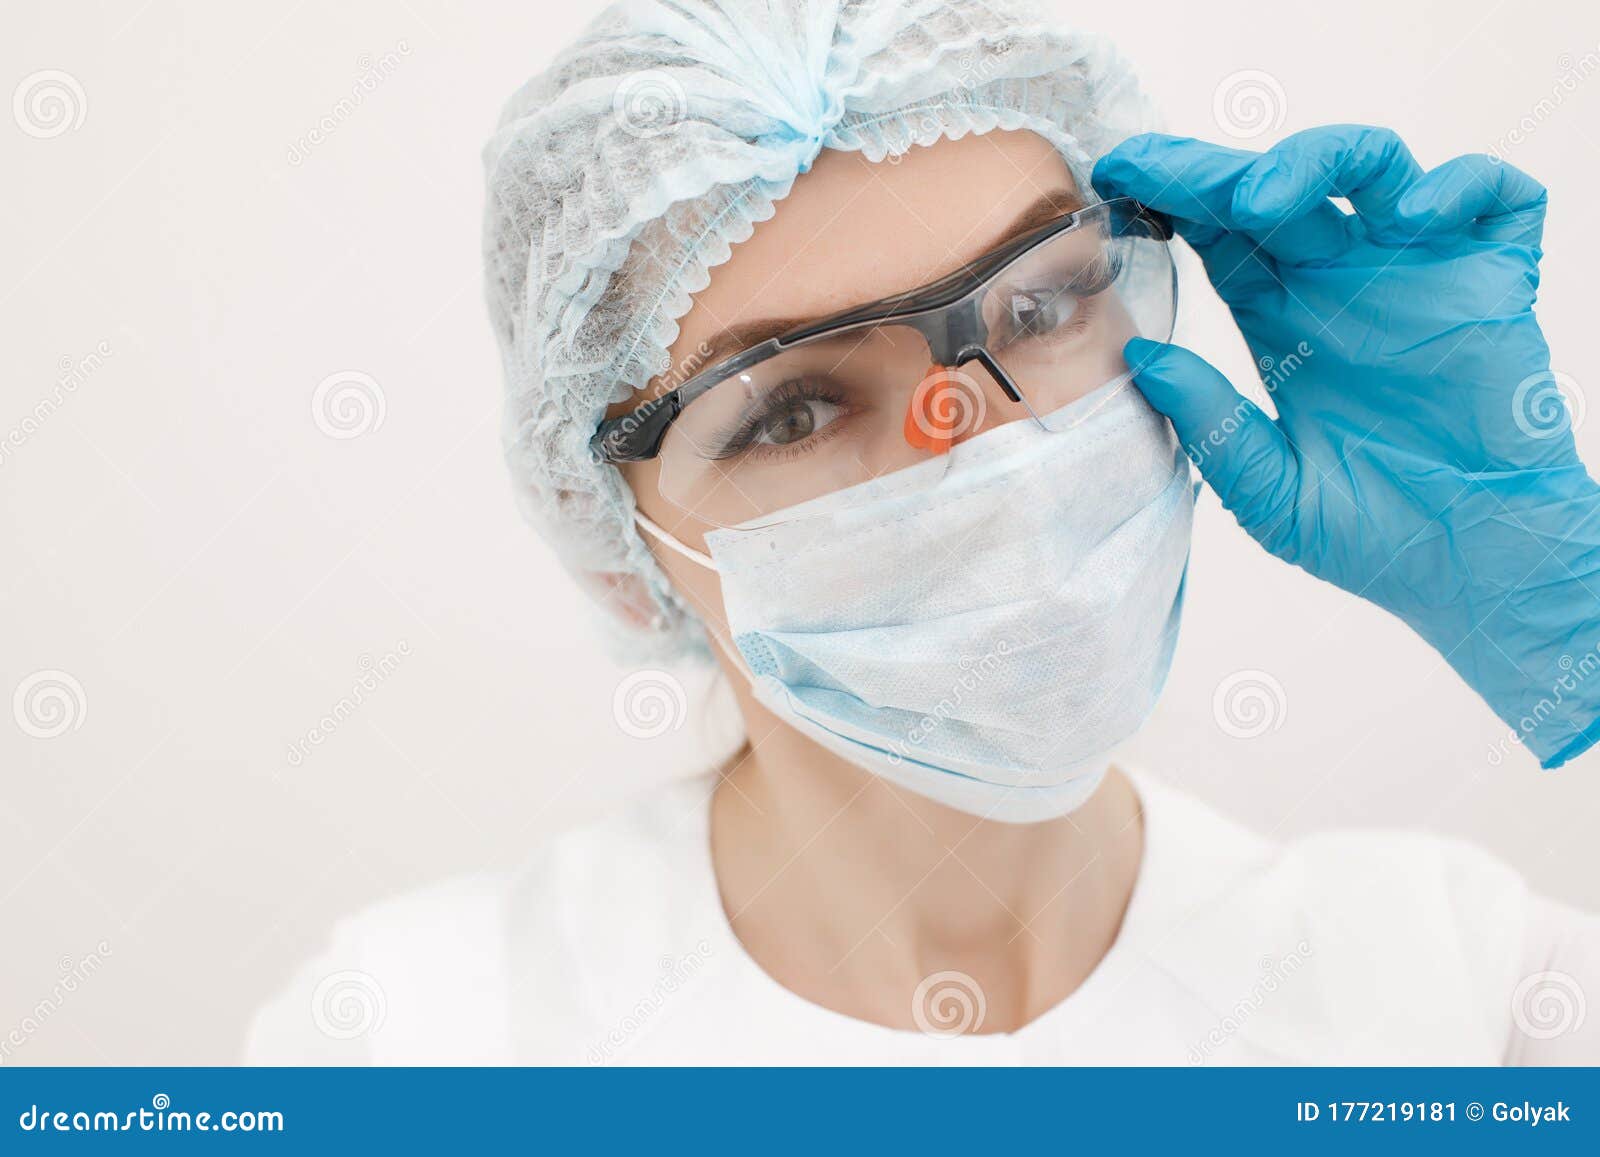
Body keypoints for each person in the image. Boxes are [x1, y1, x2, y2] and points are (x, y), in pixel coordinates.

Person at [247, 0, 1600, 1064]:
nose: (985, 451)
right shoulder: (411, 1046)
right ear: (621, 544)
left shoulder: (1475, 996)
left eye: (1040, 305)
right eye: (792, 407)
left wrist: (1576, 631)